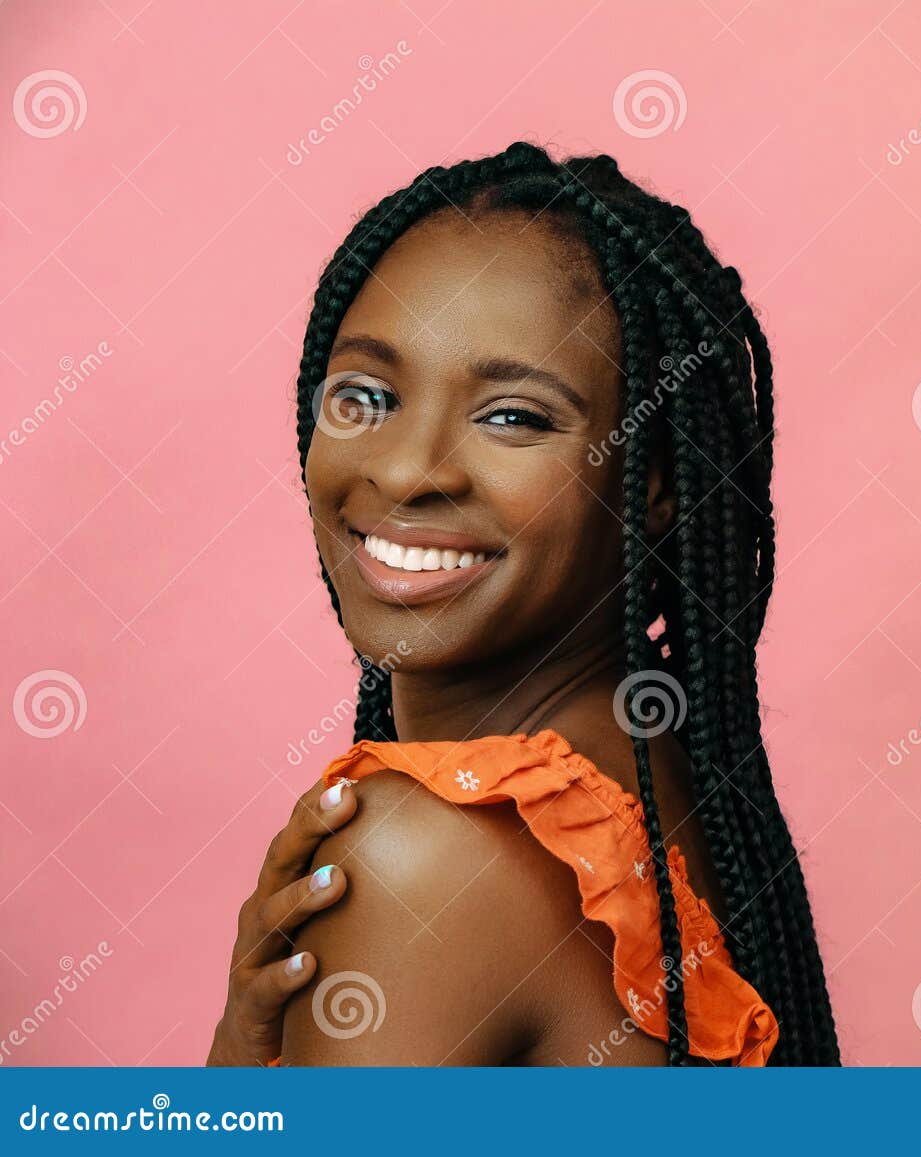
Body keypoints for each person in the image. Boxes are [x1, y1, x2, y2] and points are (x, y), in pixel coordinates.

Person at [205, 142, 840, 1066]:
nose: (407, 468)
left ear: (656, 479)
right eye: (367, 394)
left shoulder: (425, 858)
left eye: (513, 416)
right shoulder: (653, 773)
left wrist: (231, 1071)